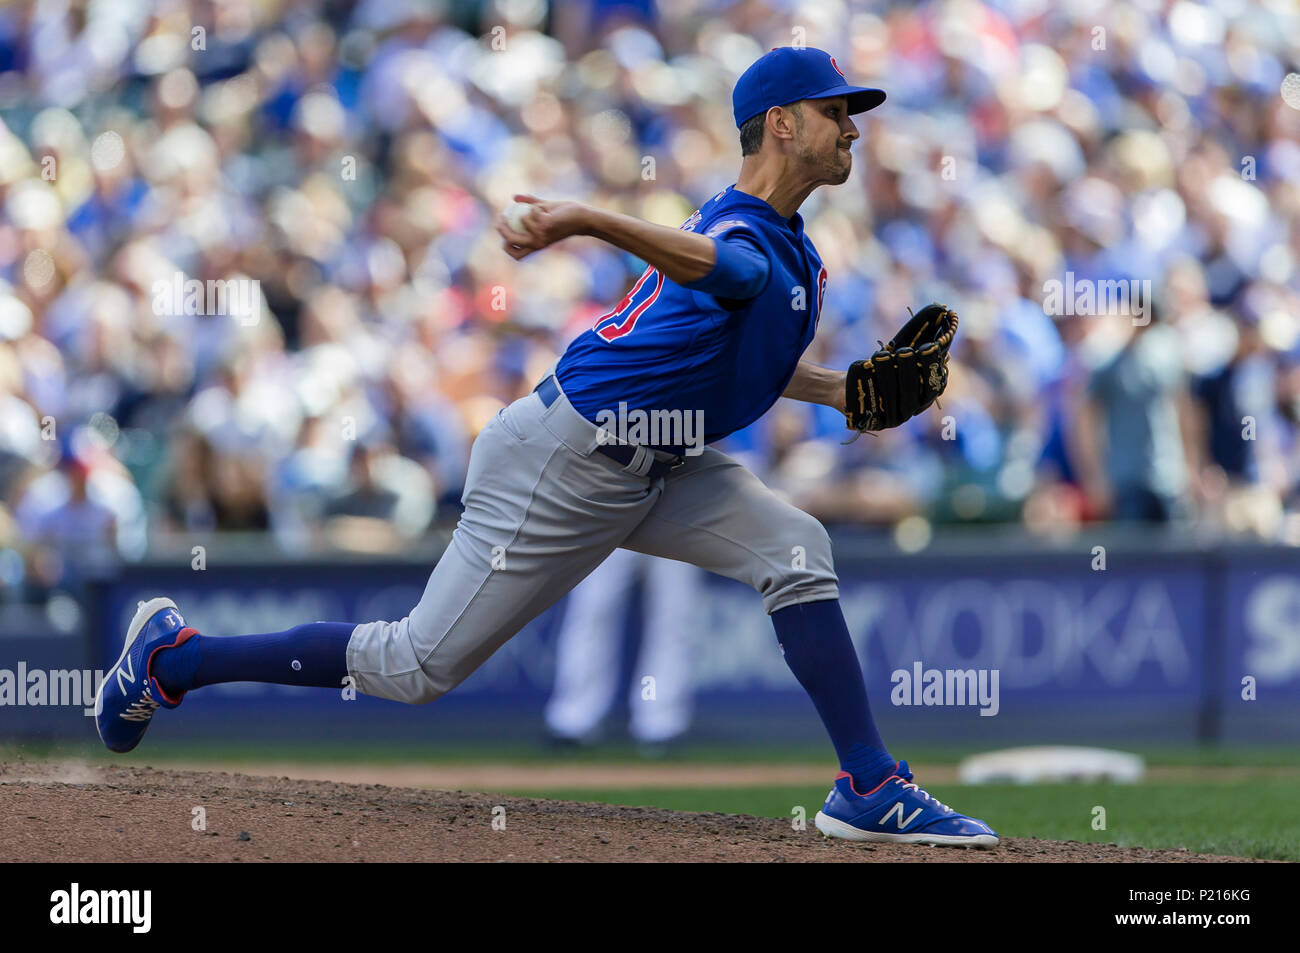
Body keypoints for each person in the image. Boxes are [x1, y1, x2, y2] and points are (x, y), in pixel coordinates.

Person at [95, 48, 998, 848]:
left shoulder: (786, 247)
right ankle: (176, 658)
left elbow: (733, 351)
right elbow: (724, 267)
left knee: (798, 548)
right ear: (782, 123)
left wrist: (848, 392)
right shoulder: (740, 237)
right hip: (563, 460)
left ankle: (870, 783)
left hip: (664, 456)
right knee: (414, 666)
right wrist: (583, 219)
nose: (852, 129)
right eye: (838, 112)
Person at [544, 549, 700, 752]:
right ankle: (575, 719)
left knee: (674, 617)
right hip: (613, 520)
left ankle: (659, 722)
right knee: (594, 609)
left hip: (678, 520)